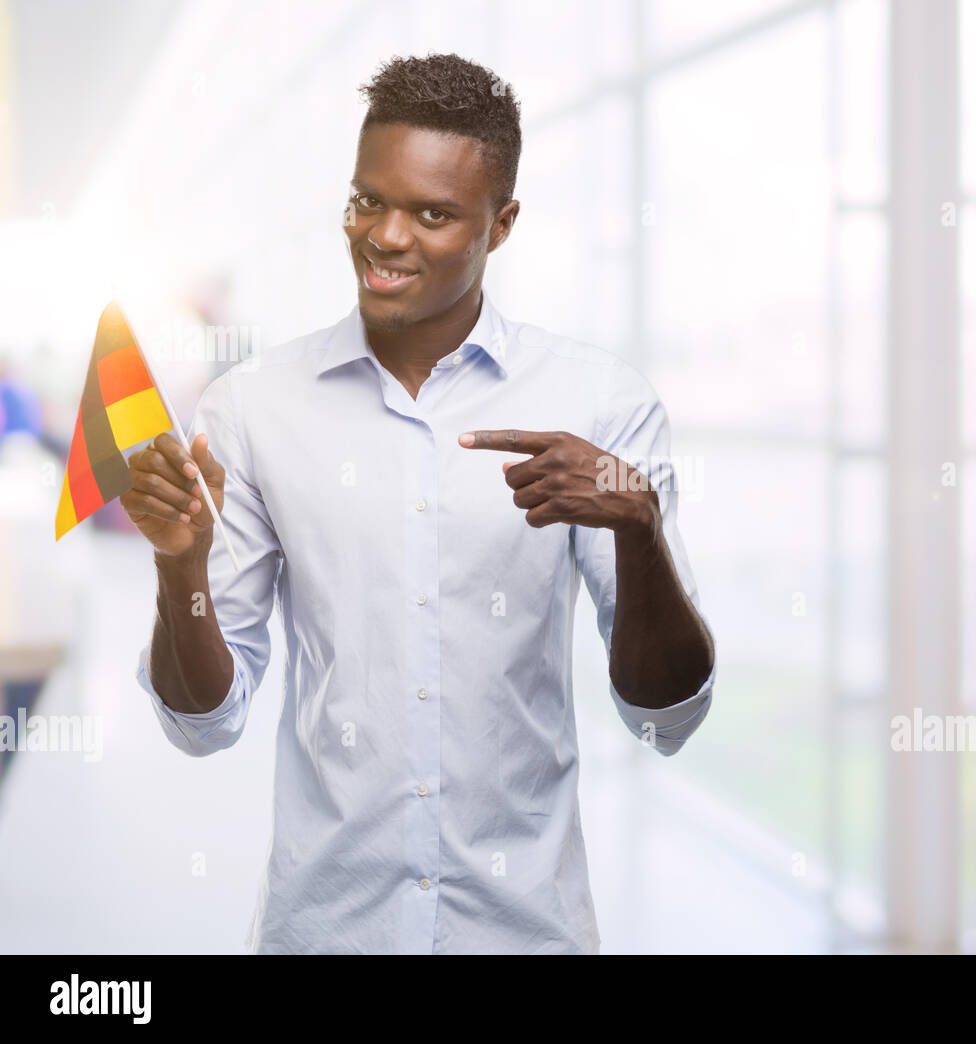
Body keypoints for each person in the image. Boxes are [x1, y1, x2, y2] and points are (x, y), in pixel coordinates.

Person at [126, 53, 715, 954]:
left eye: (433, 213)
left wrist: (639, 530)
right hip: (325, 932)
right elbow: (205, 720)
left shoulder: (598, 402)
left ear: (502, 223)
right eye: (369, 201)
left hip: (525, 933)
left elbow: (664, 713)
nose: (386, 237)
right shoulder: (253, 410)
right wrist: (179, 569)